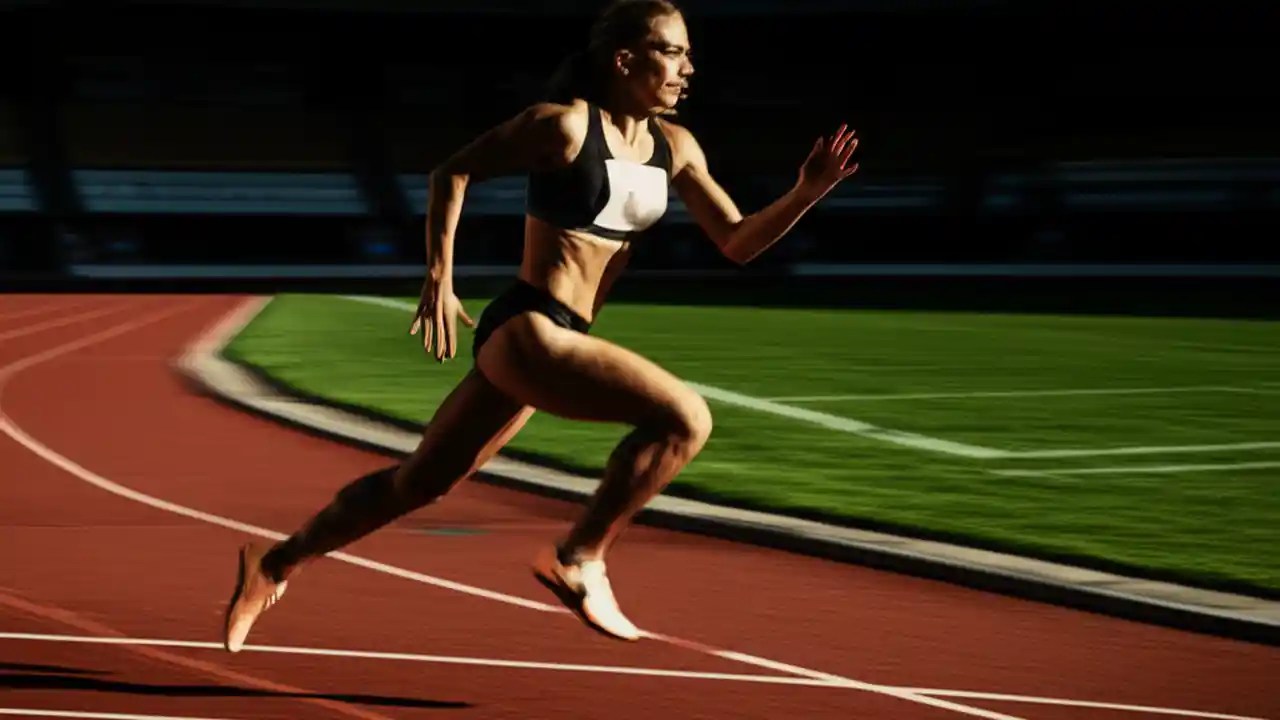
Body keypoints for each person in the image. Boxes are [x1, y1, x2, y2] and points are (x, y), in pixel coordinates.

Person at [222, 0, 859, 650]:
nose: (687, 68)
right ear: (624, 59)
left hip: (554, 340)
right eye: (673, 51)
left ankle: (273, 564)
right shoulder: (564, 127)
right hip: (530, 327)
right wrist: (439, 276)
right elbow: (454, 170)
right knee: (686, 419)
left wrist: (806, 192)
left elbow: (737, 242)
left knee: (418, 483)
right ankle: (579, 557)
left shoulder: (677, 147)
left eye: (687, 54)